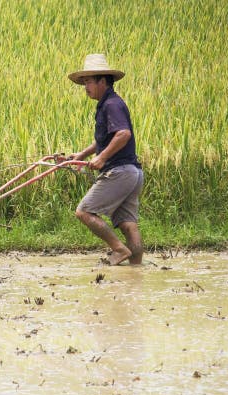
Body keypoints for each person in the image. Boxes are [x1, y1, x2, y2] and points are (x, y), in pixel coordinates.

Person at [66, 54, 143, 266]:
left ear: (102, 81)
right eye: (84, 82)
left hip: (118, 172)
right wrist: (82, 155)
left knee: (84, 211)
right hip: (132, 172)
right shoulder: (108, 104)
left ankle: (119, 249)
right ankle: (136, 272)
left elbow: (123, 134)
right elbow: (106, 138)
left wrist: (101, 157)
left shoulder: (111, 105)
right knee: (128, 225)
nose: (85, 87)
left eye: (89, 81)